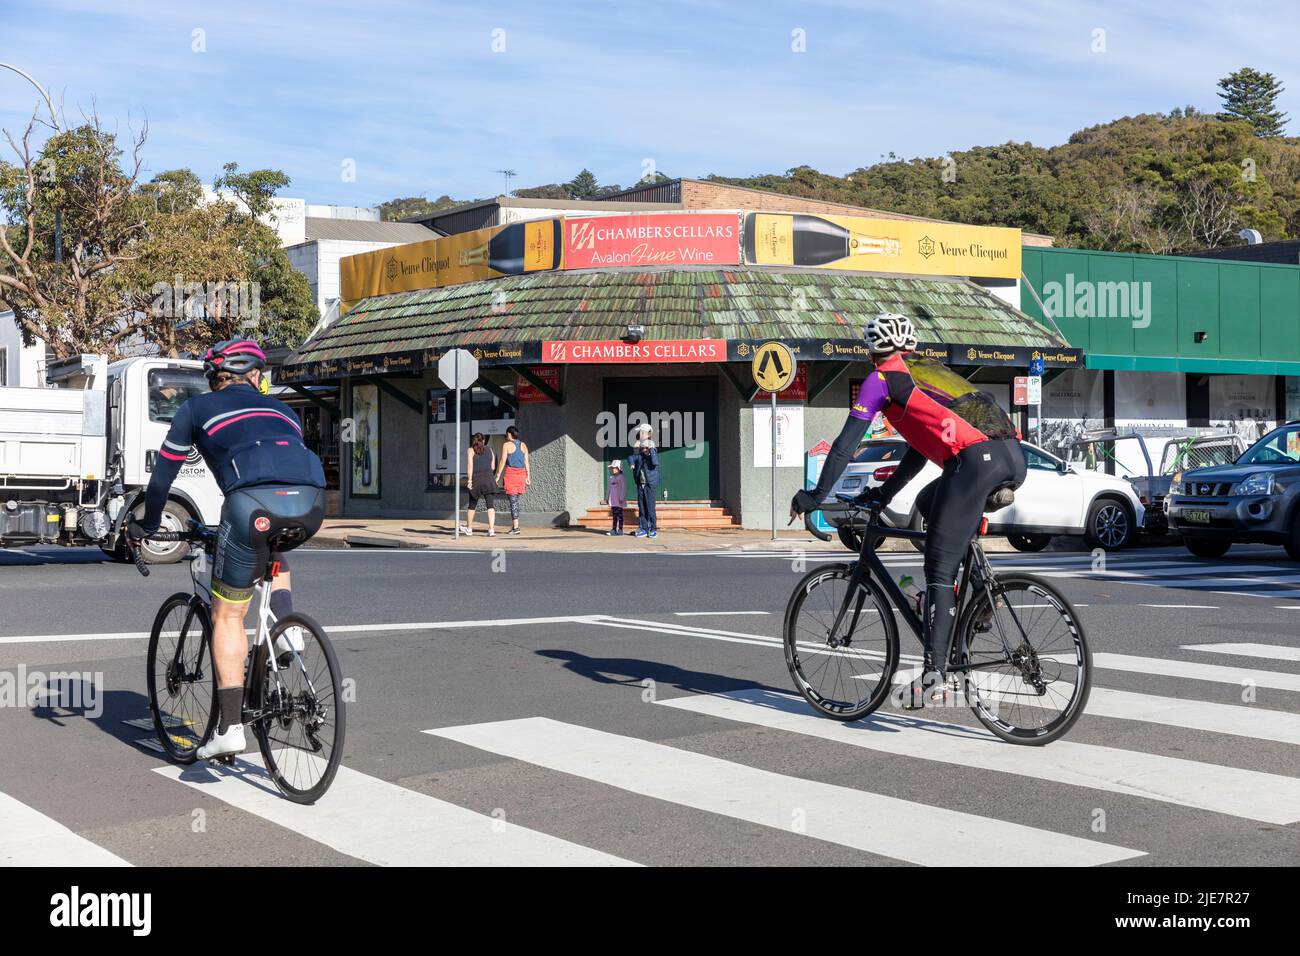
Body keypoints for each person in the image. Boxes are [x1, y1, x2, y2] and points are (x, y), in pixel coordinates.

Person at [789, 313, 1025, 708]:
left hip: (975, 462)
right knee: (928, 504)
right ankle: (984, 595)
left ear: (872, 352)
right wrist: (883, 495)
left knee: (938, 568)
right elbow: (918, 450)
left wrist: (815, 495)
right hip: (1011, 457)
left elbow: (846, 445)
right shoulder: (928, 374)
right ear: (910, 346)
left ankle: (934, 676)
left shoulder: (880, 380)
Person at [127, 339, 326, 758]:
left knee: (228, 613)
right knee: (273, 548)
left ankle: (230, 727)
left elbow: (162, 480)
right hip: (311, 504)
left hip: (251, 506)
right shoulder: (285, 411)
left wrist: (146, 524)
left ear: (214, 379)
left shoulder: (196, 410)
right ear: (255, 376)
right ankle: (288, 629)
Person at [495, 425, 529, 535]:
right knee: (515, 500)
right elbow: (526, 462)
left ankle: (516, 527)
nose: (506, 436)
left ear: (509, 434)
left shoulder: (506, 445)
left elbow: (502, 461)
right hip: (521, 474)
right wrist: (528, 476)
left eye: (506, 434)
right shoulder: (523, 445)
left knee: (513, 501)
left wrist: (498, 475)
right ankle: (515, 526)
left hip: (511, 474)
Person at [462, 432, 498, 536]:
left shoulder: (470, 450)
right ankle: (491, 530)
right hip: (488, 480)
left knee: (472, 505)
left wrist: (469, 481)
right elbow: (492, 467)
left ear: (474, 441)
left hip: (476, 480)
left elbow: (470, 467)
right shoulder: (489, 449)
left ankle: (469, 529)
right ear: (483, 440)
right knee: (490, 505)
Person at [628, 423, 660, 538]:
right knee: (642, 507)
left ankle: (653, 529)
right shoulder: (640, 446)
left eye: (642, 432)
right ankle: (643, 528)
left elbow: (655, 462)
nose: (640, 434)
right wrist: (635, 451)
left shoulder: (651, 445)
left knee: (650, 507)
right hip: (640, 483)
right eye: (640, 432)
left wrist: (650, 450)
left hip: (650, 483)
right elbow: (632, 458)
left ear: (648, 434)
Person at [605, 459, 626, 536]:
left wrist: (621, 497)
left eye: (614, 468)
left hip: (619, 501)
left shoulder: (621, 477)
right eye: (612, 468)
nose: (613, 470)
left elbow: (623, 488)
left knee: (620, 515)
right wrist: (607, 498)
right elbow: (609, 488)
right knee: (614, 515)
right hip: (613, 501)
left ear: (619, 468)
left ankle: (620, 530)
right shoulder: (611, 478)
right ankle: (613, 530)